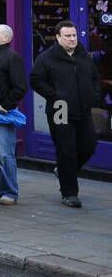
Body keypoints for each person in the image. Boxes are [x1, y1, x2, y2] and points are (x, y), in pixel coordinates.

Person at [30, 20, 101, 208]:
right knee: (66, 148)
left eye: (74, 35)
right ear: (58, 37)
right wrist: (55, 96)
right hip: (59, 109)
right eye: (68, 36)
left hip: (83, 108)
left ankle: (62, 170)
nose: (72, 39)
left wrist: (94, 95)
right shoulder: (47, 57)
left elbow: (95, 77)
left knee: (89, 145)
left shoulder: (83, 55)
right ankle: (69, 193)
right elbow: (36, 80)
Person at [0, 24, 26, 205]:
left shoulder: (12, 57)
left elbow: (21, 86)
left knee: (4, 153)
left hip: (1, 112)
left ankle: (10, 191)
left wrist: (6, 105)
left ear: (6, 38)